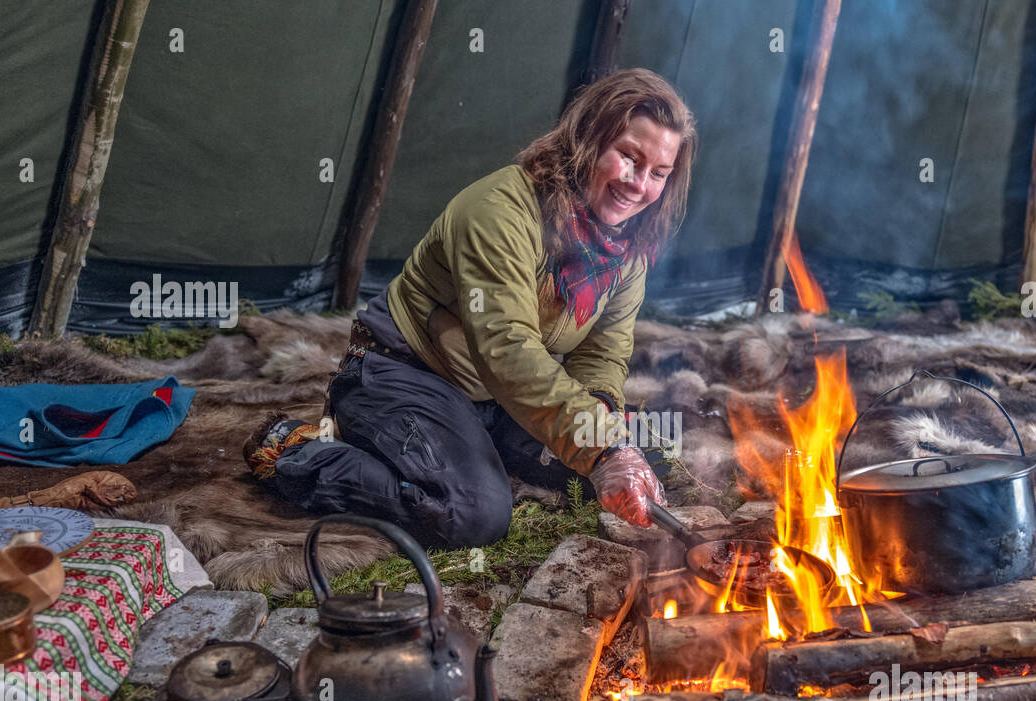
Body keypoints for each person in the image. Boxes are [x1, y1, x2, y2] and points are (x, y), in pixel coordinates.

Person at [245, 69, 697, 549]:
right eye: (628, 157)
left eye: (659, 174)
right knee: (474, 514)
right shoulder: (500, 210)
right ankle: (300, 451)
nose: (639, 184)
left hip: (494, 395)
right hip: (405, 372)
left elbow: (602, 353)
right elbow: (508, 348)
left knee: (647, 461)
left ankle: (469, 443)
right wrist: (603, 448)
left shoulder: (627, 247)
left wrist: (602, 425)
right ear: (588, 139)